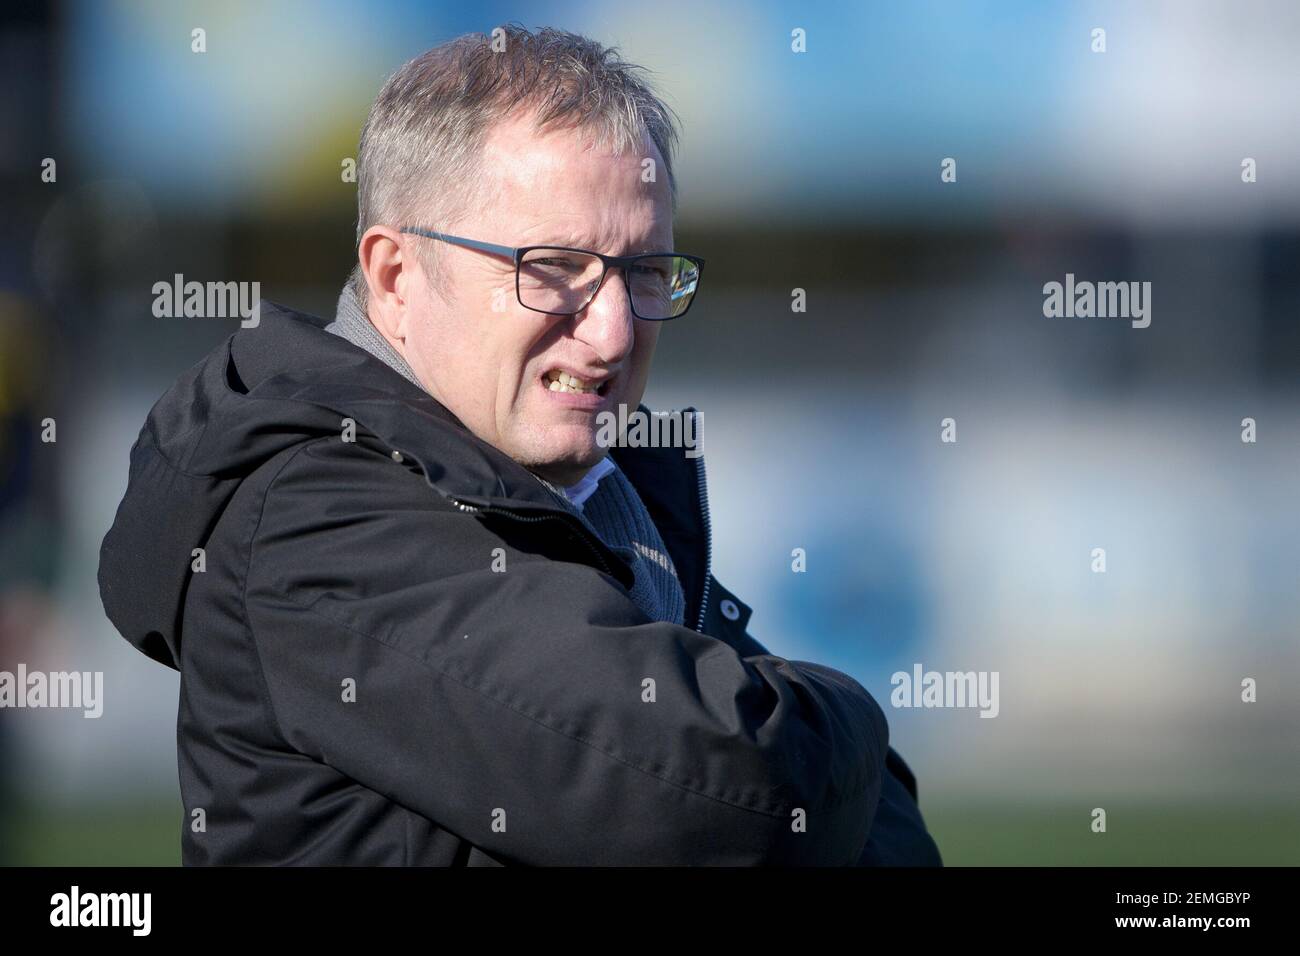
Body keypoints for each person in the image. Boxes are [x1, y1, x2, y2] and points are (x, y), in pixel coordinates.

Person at [98, 24, 941, 866]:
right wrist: (851, 709)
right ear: (396, 277)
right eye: (555, 266)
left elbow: (887, 833)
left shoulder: (597, 493)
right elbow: (736, 786)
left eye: (646, 272)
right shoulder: (310, 511)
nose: (612, 332)